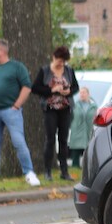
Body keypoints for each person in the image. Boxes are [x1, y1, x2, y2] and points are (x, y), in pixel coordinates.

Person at [0, 39, 39, 186]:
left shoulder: (17, 67)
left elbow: (27, 87)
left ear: (2, 52)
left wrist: (17, 105)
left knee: (18, 141)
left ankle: (29, 173)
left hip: (11, 111)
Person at [32, 46, 79, 181]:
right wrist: (52, 90)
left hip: (65, 108)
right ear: (54, 57)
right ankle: (47, 171)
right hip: (50, 108)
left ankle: (64, 171)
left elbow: (76, 87)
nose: (61, 64)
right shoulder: (45, 71)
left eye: (63, 61)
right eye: (59, 60)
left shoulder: (69, 71)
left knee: (63, 140)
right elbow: (35, 88)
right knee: (50, 140)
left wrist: (68, 92)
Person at [68, 87, 98, 170]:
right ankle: (75, 167)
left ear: (88, 94)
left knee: (89, 149)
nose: (82, 94)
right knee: (76, 149)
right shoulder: (75, 105)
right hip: (77, 130)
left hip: (89, 130)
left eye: (84, 92)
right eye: (80, 93)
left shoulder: (94, 106)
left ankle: (89, 168)